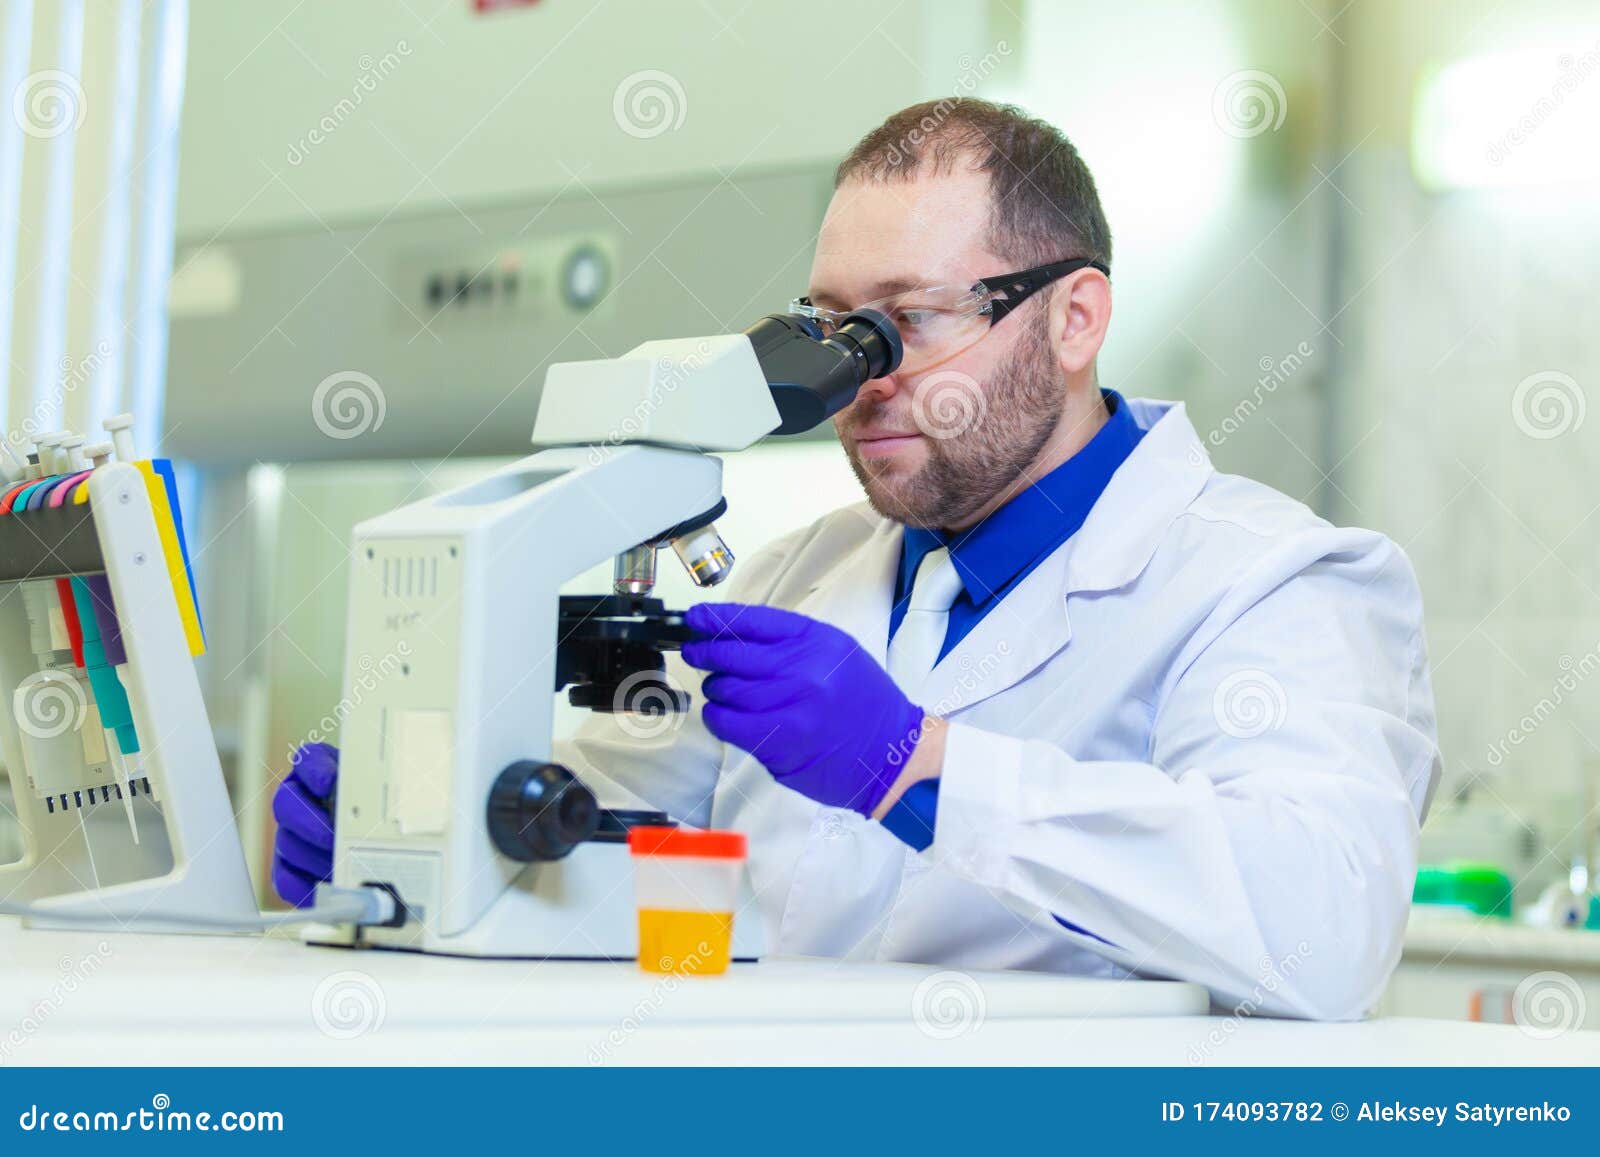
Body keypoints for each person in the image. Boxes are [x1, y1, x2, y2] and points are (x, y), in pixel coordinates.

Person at [272, 98, 1440, 1021]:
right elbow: (613, 841)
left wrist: (918, 765)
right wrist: (422, 831)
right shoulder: (791, 575)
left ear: (1074, 319)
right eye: (834, 328)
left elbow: (1323, 929)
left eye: (906, 322)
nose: (858, 380)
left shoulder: (1275, 580)